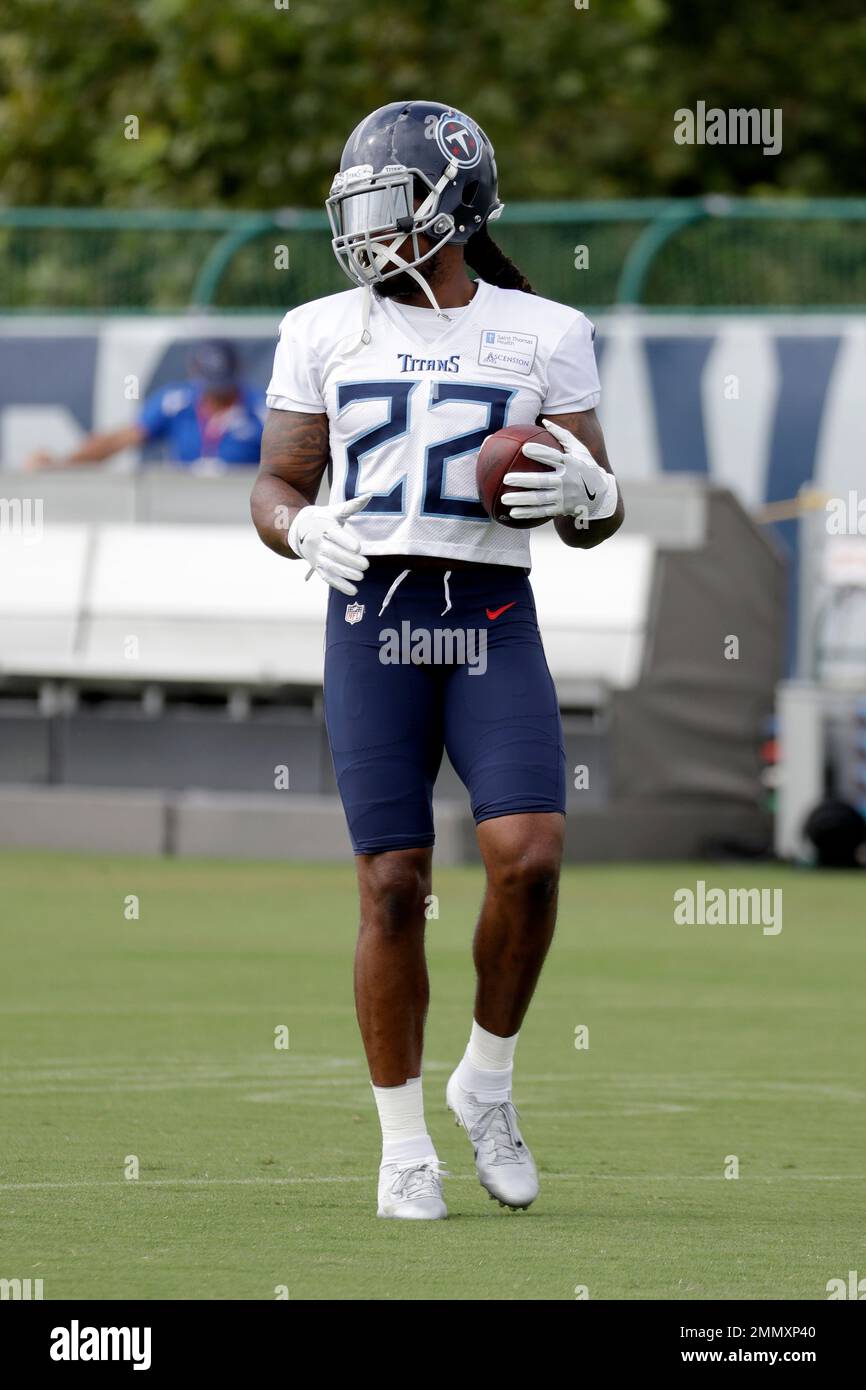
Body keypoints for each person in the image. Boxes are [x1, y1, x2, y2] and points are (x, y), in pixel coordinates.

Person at [251, 101, 624, 1220]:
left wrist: (593, 494)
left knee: (530, 854)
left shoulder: (544, 329)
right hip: (373, 608)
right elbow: (278, 480)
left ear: (451, 205)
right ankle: (402, 1142)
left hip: (490, 610)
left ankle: (486, 1082)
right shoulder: (321, 327)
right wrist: (292, 526)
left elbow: (591, 510)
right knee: (393, 883)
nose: (364, 228)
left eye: (386, 202)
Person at [27, 339, 265, 470]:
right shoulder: (176, 402)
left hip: (239, 509)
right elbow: (118, 440)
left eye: (222, 384)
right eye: (211, 385)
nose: (216, 394)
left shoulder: (260, 412)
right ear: (194, 373)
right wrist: (62, 465)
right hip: (184, 507)